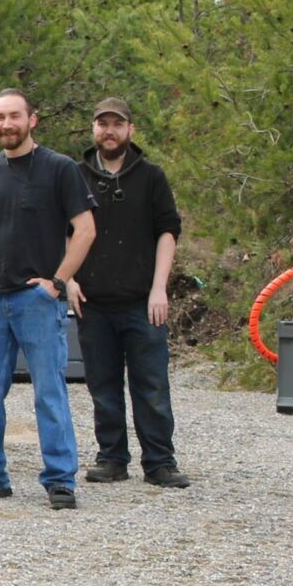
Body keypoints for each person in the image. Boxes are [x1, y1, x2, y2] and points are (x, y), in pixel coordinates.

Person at [0, 87, 95, 509]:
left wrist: (57, 282)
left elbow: (85, 229)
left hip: (37, 300)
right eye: (0, 117)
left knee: (49, 391)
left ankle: (60, 480)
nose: (7, 124)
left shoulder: (60, 169)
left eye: (15, 116)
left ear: (32, 120)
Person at [77, 97, 189, 489]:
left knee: (152, 386)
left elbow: (167, 232)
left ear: (130, 129)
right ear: (93, 128)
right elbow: (61, 231)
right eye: (102, 123)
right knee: (102, 386)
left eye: (117, 124)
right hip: (92, 302)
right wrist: (68, 281)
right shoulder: (75, 175)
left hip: (143, 302)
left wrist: (159, 288)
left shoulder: (151, 177)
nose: (109, 131)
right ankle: (111, 458)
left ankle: (159, 462)